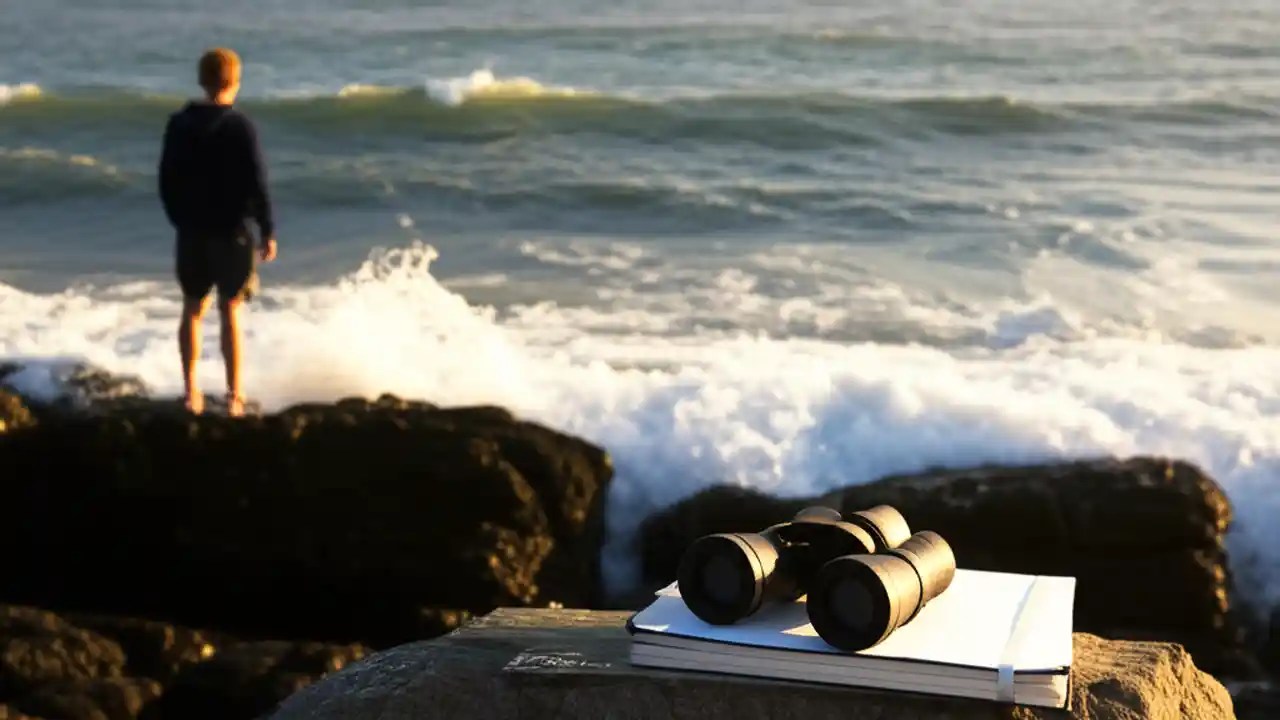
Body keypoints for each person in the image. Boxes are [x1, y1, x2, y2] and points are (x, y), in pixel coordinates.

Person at [158, 47, 277, 417]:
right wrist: (267, 229)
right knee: (230, 309)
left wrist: (179, 219)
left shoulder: (179, 124)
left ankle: (190, 392)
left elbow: (166, 180)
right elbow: (257, 182)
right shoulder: (239, 125)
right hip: (232, 232)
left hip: (192, 231)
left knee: (192, 308)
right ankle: (233, 395)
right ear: (235, 82)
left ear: (201, 80)